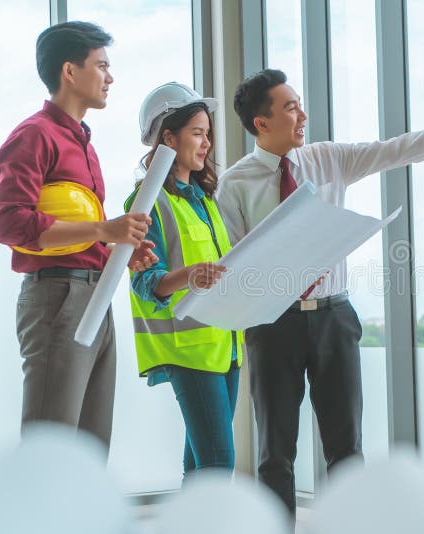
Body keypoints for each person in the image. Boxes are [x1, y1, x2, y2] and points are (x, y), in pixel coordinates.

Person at [217, 68, 424, 513]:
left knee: (347, 448)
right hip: (273, 323)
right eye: (290, 107)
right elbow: (237, 265)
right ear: (261, 123)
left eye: (299, 103)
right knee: (275, 451)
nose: (302, 114)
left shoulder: (328, 159)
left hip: (335, 318)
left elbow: (396, 150)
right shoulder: (234, 184)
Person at [0, 21, 157, 450]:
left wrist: (116, 249)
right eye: (102, 65)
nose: (110, 77)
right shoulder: (33, 137)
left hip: (94, 297)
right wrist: (104, 229)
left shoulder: (84, 143)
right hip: (57, 301)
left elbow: (76, 232)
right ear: (70, 71)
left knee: (90, 448)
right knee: (53, 447)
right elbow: (10, 224)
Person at [127, 82, 243, 478]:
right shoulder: (146, 202)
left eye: (208, 134)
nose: (207, 143)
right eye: (198, 133)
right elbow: (145, 283)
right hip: (188, 350)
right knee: (217, 465)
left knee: (200, 465)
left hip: (225, 347)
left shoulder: (206, 199)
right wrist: (189, 277)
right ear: (168, 138)